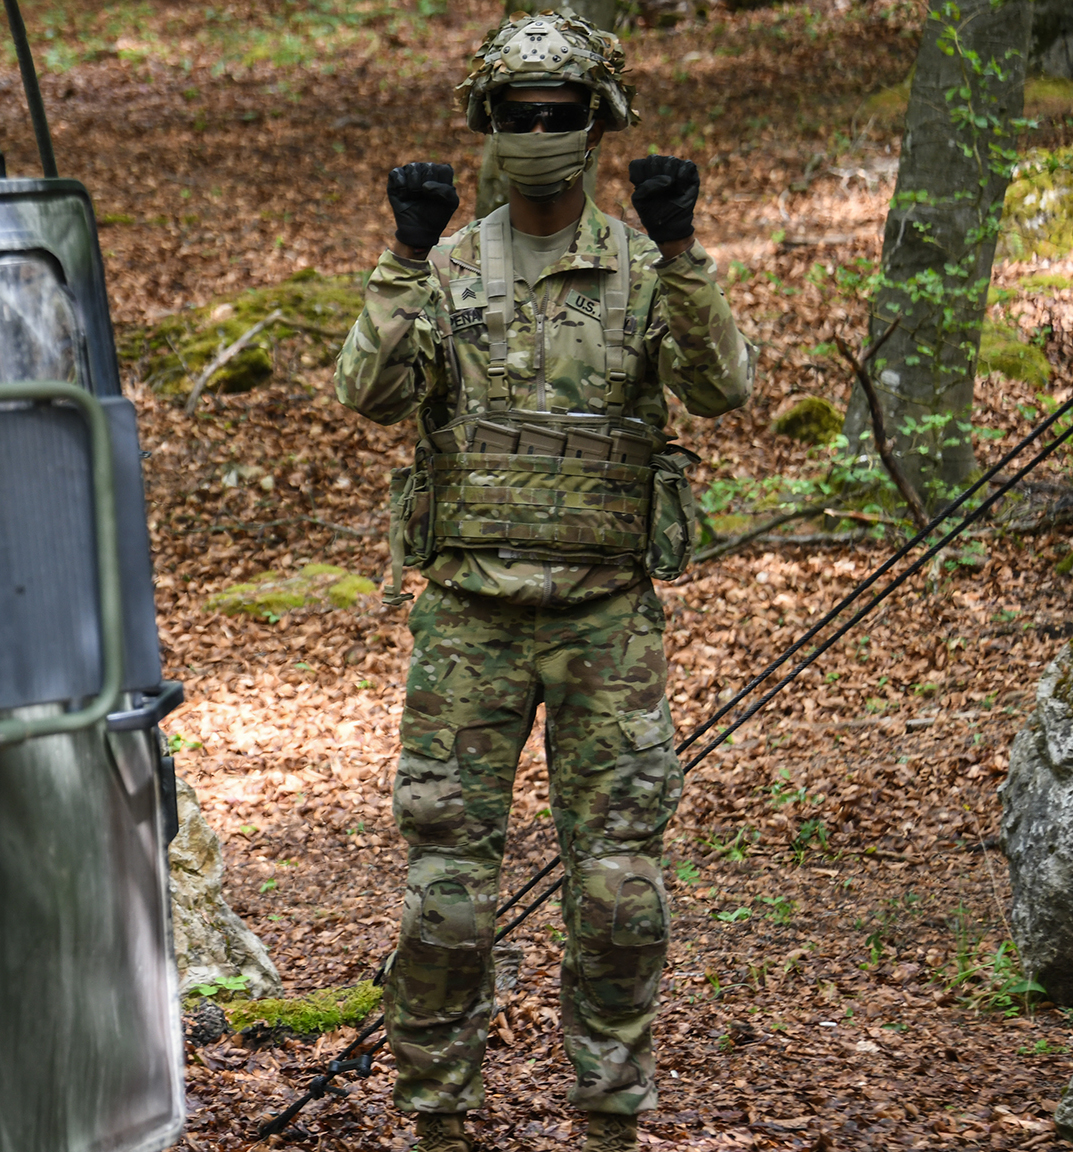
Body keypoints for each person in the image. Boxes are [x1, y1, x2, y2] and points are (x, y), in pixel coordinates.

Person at [332, 11, 752, 1152]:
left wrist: (683, 253)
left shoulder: (636, 266)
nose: (534, 135)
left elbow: (720, 392)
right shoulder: (447, 267)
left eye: (556, 116)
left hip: (604, 623)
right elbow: (365, 395)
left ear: (595, 125)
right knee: (445, 906)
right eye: (514, 118)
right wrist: (399, 254)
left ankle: (607, 1119)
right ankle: (436, 1120)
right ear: (484, 126)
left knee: (618, 898)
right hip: (468, 621)